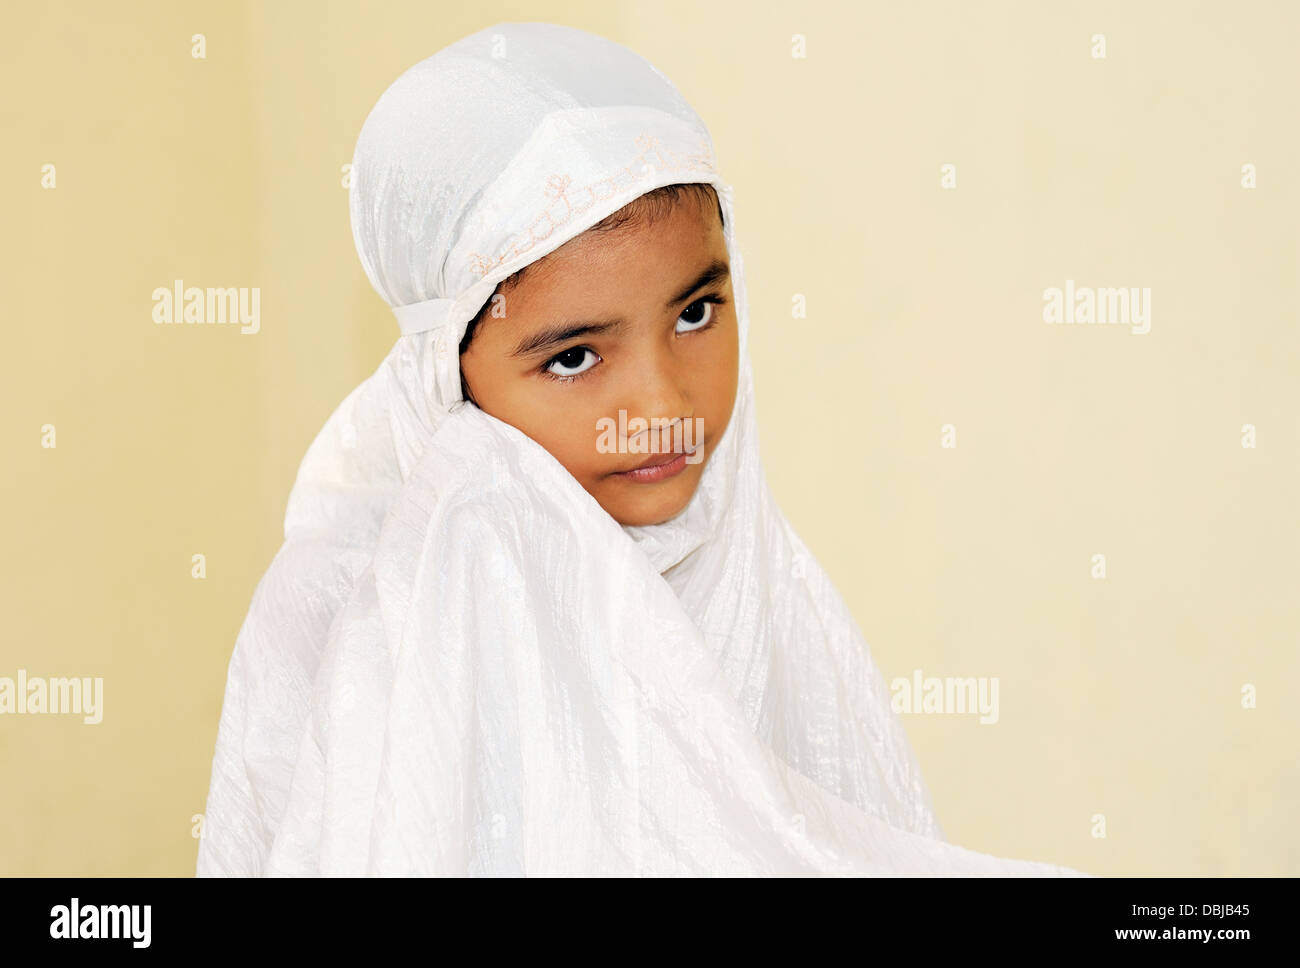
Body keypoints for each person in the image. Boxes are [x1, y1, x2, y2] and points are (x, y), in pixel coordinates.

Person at [196, 21, 1082, 876]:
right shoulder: (403, 589)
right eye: (575, 357)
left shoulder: (756, 570)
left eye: (695, 313)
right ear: (446, 376)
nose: (660, 404)